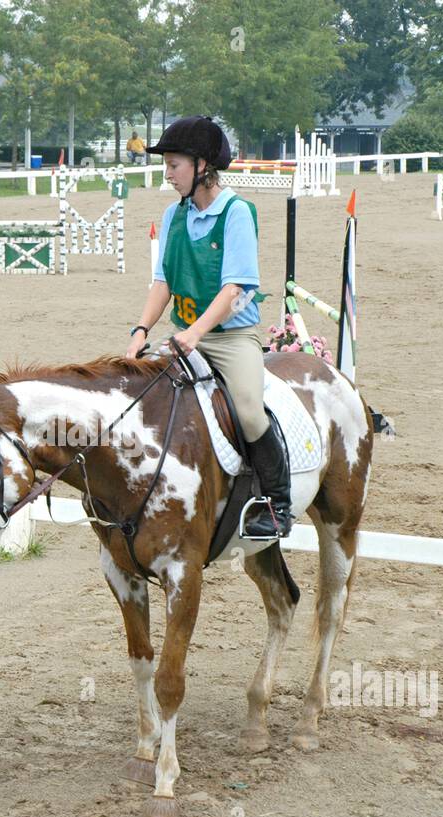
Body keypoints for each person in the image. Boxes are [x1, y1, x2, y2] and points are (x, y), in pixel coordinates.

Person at [125, 116, 291, 539]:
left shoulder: (237, 213)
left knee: (250, 411)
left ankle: (276, 503)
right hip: (184, 336)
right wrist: (141, 330)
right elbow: (163, 281)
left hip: (230, 338)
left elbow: (235, 289)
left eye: (174, 164)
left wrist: (195, 333)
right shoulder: (173, 213)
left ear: (202, 167)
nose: (167, 174)